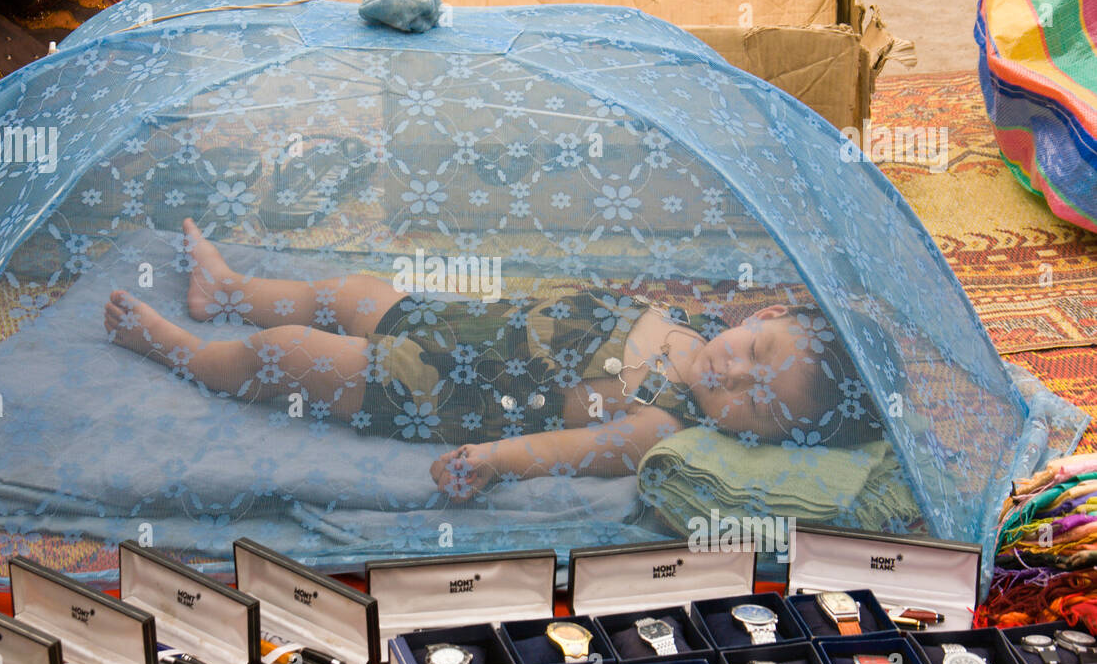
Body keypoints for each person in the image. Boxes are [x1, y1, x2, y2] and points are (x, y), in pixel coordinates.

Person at [105, 220, 882, 502]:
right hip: (463, 322)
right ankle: (231, 287)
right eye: (755, 352)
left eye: (754, 403)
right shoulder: (700, 320)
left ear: (759, 442)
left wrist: (497, 460)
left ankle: (185, 351)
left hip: (435, 390)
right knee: (347, 291)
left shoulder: (658, 425)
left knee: (285, 356)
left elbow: (564, 450)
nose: (732, 373)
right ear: (766, 314)